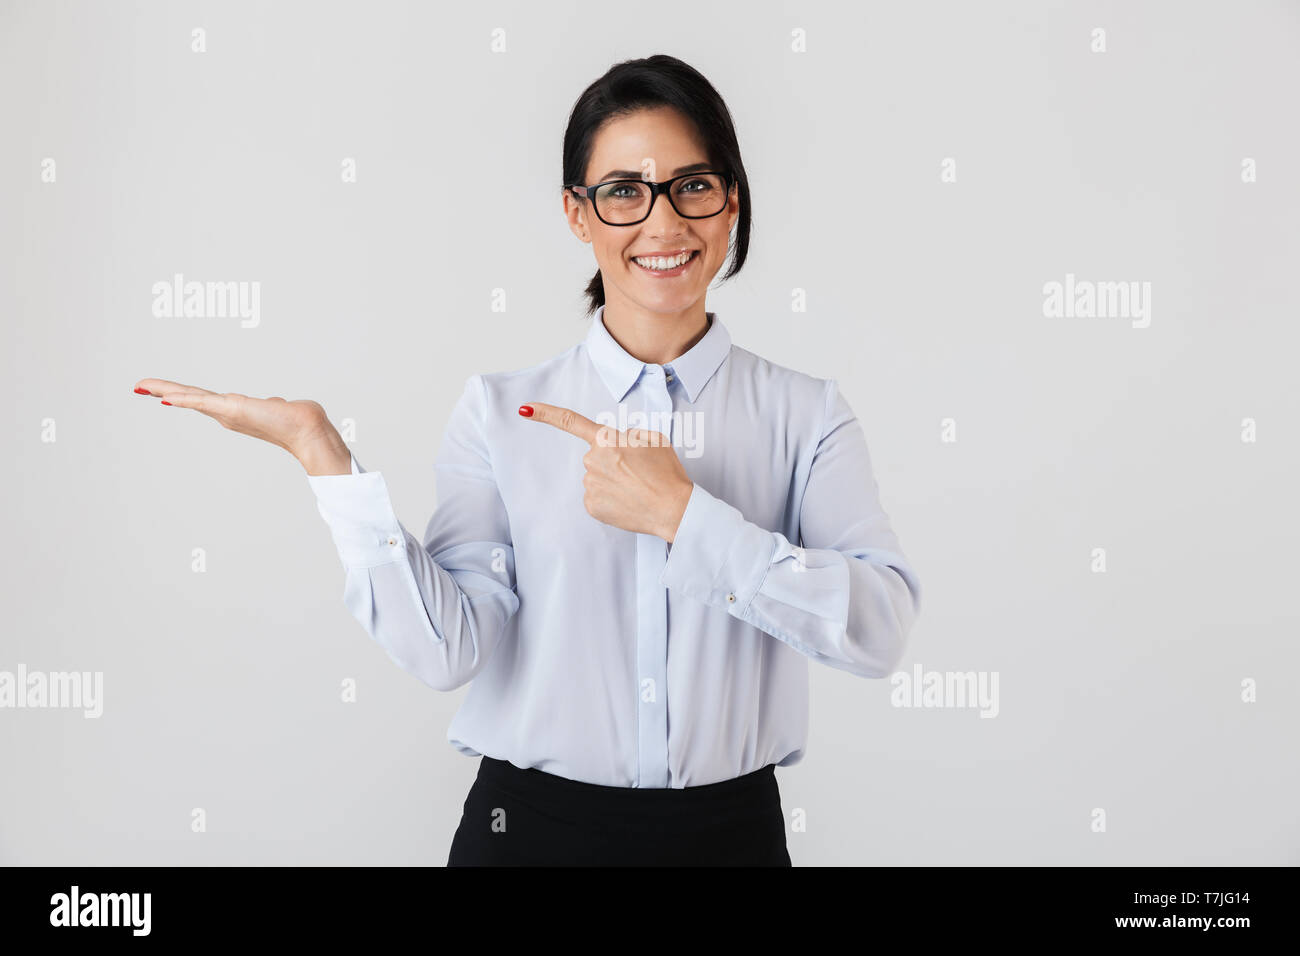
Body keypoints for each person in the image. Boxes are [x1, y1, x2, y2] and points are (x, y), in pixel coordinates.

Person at [133, 54, 922, 866]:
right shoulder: (498, 413)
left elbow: (879, 630)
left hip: (732, 838)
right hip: (530, 836)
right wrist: (320, 453)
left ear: (731, 202)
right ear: (578, 216)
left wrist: (686, 519)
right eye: (623, 192)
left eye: (693, 185)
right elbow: (448, 649)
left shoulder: (807, 414)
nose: (662, 224)